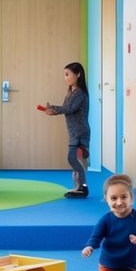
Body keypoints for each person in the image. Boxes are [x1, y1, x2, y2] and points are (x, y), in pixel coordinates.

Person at [40, 61, 91, 198]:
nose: (65, 78)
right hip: (74, 132)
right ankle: (79, 187)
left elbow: (69, 109)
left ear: (78, 74)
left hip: (80, 132)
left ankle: (82, 187)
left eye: (67, 74)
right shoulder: (71, 92)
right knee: (75, 160)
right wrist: (53, 109)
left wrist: (55, 111)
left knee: (73, 159)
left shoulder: (79, 93)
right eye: (64, 75)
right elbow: (66, 108)